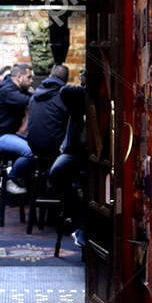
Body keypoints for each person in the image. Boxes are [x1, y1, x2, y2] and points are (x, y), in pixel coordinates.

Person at [20, 64, 72, 193]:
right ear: (65, 80)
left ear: (50, 76)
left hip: (34, 146)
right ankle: (62, 197)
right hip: (54, 149)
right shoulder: (64, 96)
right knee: (77, 157)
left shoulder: (35, 94)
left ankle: (47, 188)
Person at [0, 63, 34, 189]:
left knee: (35, 147)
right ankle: (9, 178)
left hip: (5, 135)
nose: (31, 81)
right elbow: (27, 101)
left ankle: (17, 181)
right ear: (19, 77)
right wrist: (34, 94)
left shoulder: (14, 89)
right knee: (31, 152)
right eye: (29, 77)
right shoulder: (8, 90)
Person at [49, 83, 88, 247]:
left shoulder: (96, 102)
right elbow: (66, 91)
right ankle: (74, 213)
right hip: (74, 152)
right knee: (57, 171)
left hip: (89, 154)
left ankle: (81, 224)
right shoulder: (78, 102)